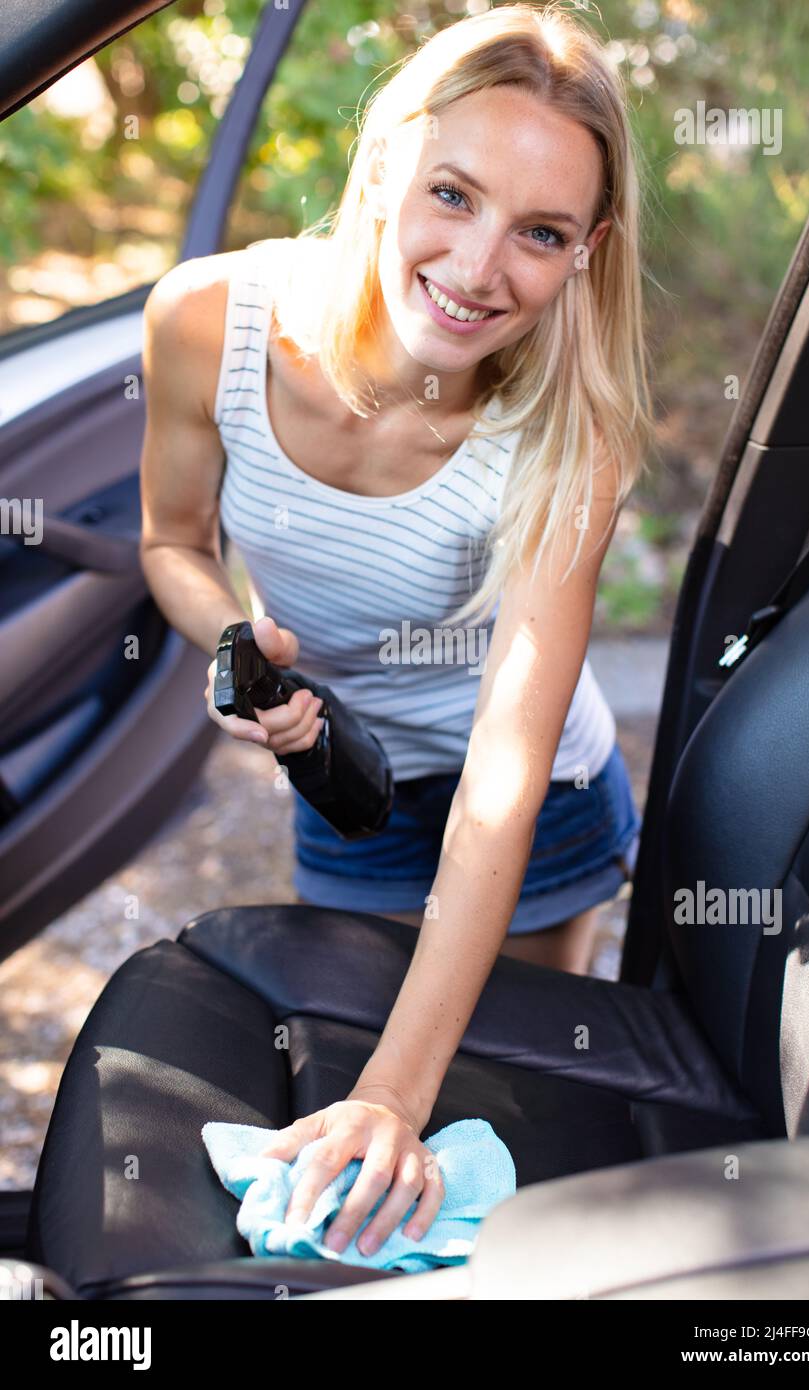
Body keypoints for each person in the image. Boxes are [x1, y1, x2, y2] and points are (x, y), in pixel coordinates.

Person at [139, 2, 654, 1259]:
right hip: (346, 792)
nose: (480, 271)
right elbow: (171, 540)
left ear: (584, 252)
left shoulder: (562, 440)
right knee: (341, 1082)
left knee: (505, 1104)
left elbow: (504, 770)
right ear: (378, 170)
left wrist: (396, 1093)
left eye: (538, 233)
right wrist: (236, 649)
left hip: (532, 818)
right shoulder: (209, 322)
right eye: (452, 195)